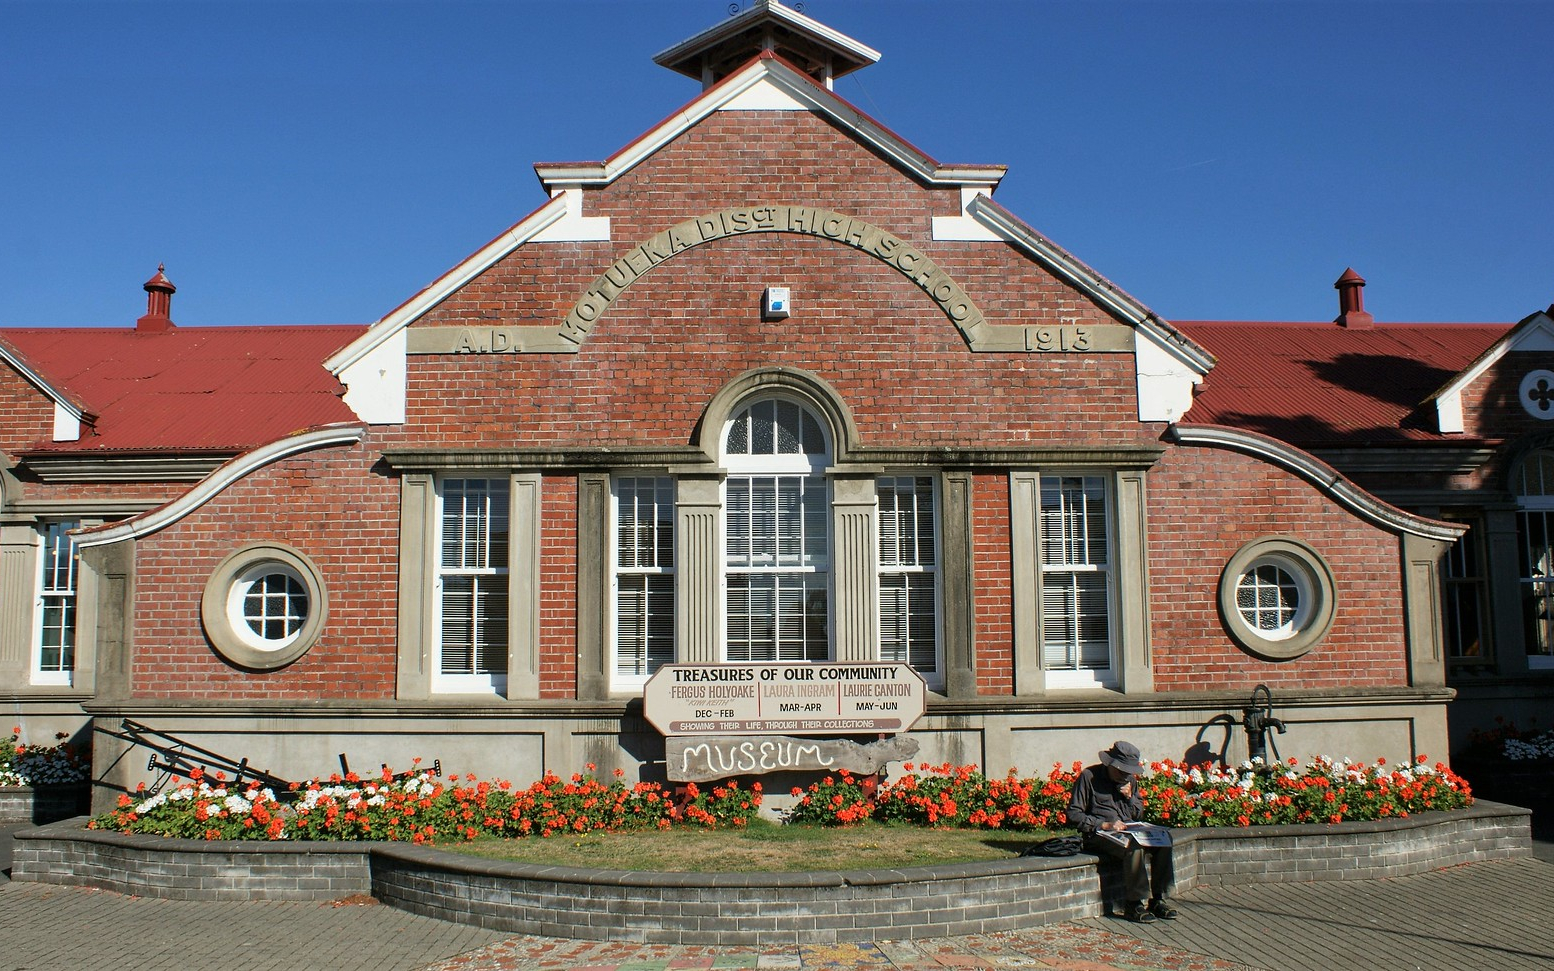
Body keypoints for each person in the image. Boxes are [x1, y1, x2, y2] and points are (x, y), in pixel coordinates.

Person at [1065, 740, 1178, 923]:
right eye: (1121, 770)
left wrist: (1130, 798)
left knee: (1164, 840)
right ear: (1110, 764)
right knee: (1133, 846)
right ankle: (1134, 904)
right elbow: (1073, 814)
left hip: (1129, 829)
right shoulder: (1089, 777)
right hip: (1100, 834)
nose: (1125, 775)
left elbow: (1138, 812)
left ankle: (1158, 898)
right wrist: (1104, 824)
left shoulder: (1130, 781)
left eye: (1129, 772)